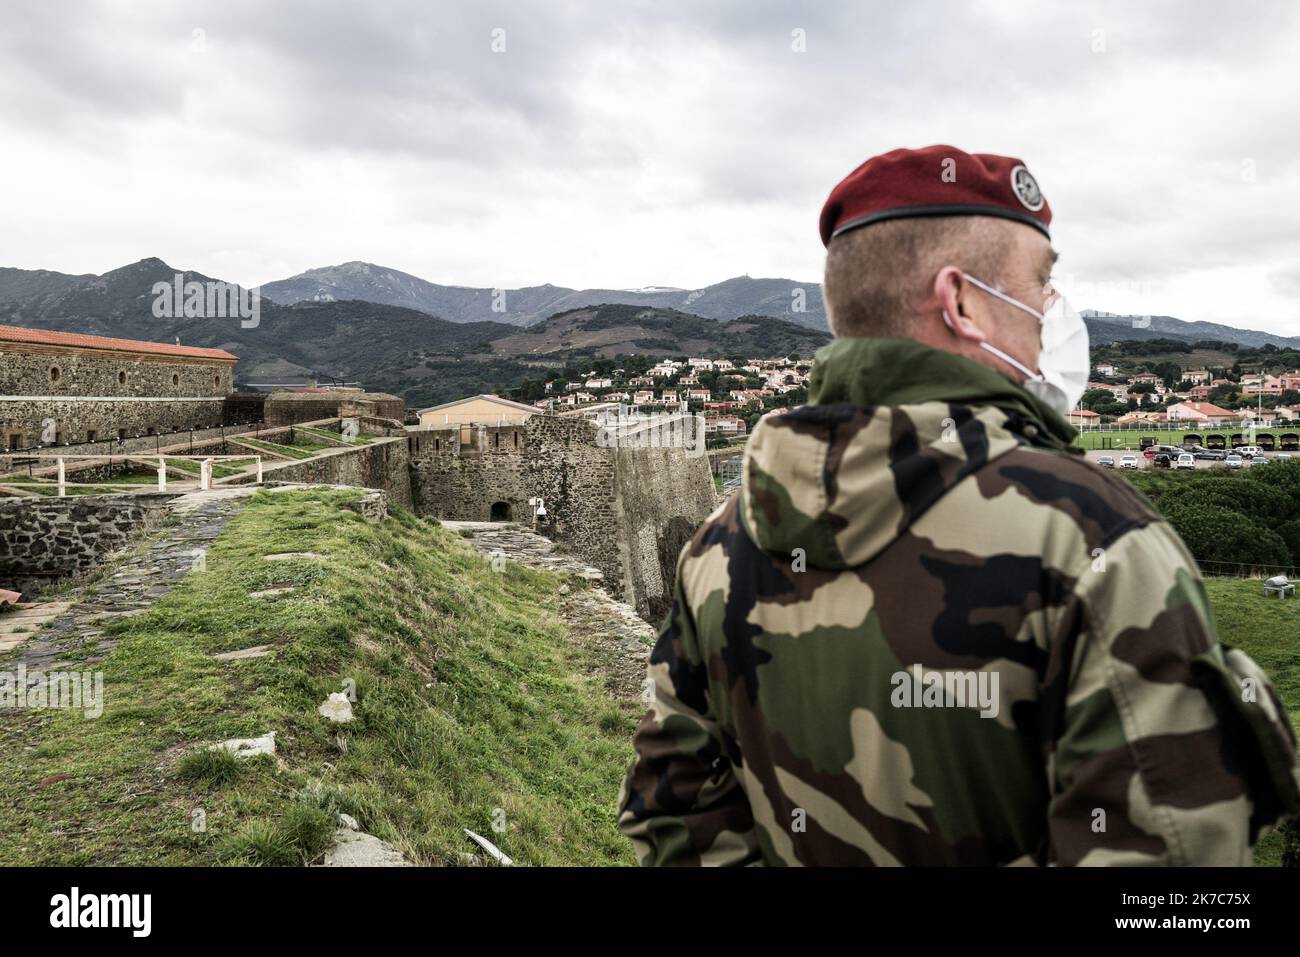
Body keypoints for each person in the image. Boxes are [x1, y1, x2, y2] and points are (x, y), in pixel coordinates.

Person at [617, 145, 1299, 865]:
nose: (1053, 314)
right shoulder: (1098, 544)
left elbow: (676, 815)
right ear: (963, 301)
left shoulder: (721, 546)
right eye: (1042, 285)